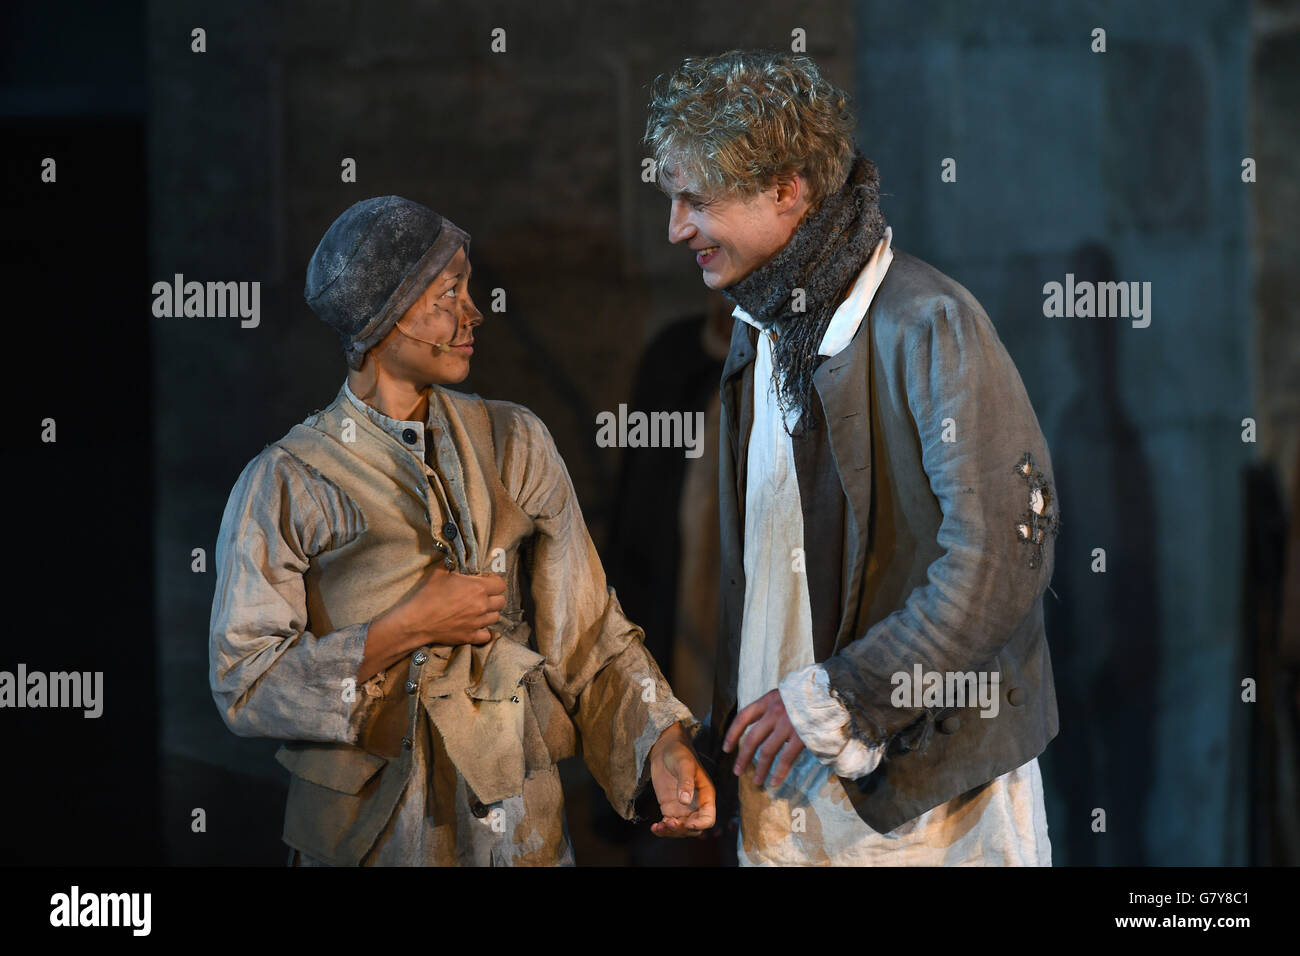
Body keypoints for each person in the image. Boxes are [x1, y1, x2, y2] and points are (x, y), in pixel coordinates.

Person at [208, 195, 715, 866]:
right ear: (381, 318)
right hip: (373, 840)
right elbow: (245, 683)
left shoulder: (515, 443)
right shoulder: (287, 480)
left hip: (515, 834)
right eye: (448, 296)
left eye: (468, 290)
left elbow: (591, 639)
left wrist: (663, 741)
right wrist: (405, 627)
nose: (473, 313)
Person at [644, 50, 1059, 865]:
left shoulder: (928, 323)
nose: (676, 227)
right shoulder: (757, 327)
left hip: (925, 811)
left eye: (697, 200)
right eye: (672, 200)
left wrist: (845, 694)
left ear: (786, 190)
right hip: (783, 796)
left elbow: (1001, 559)